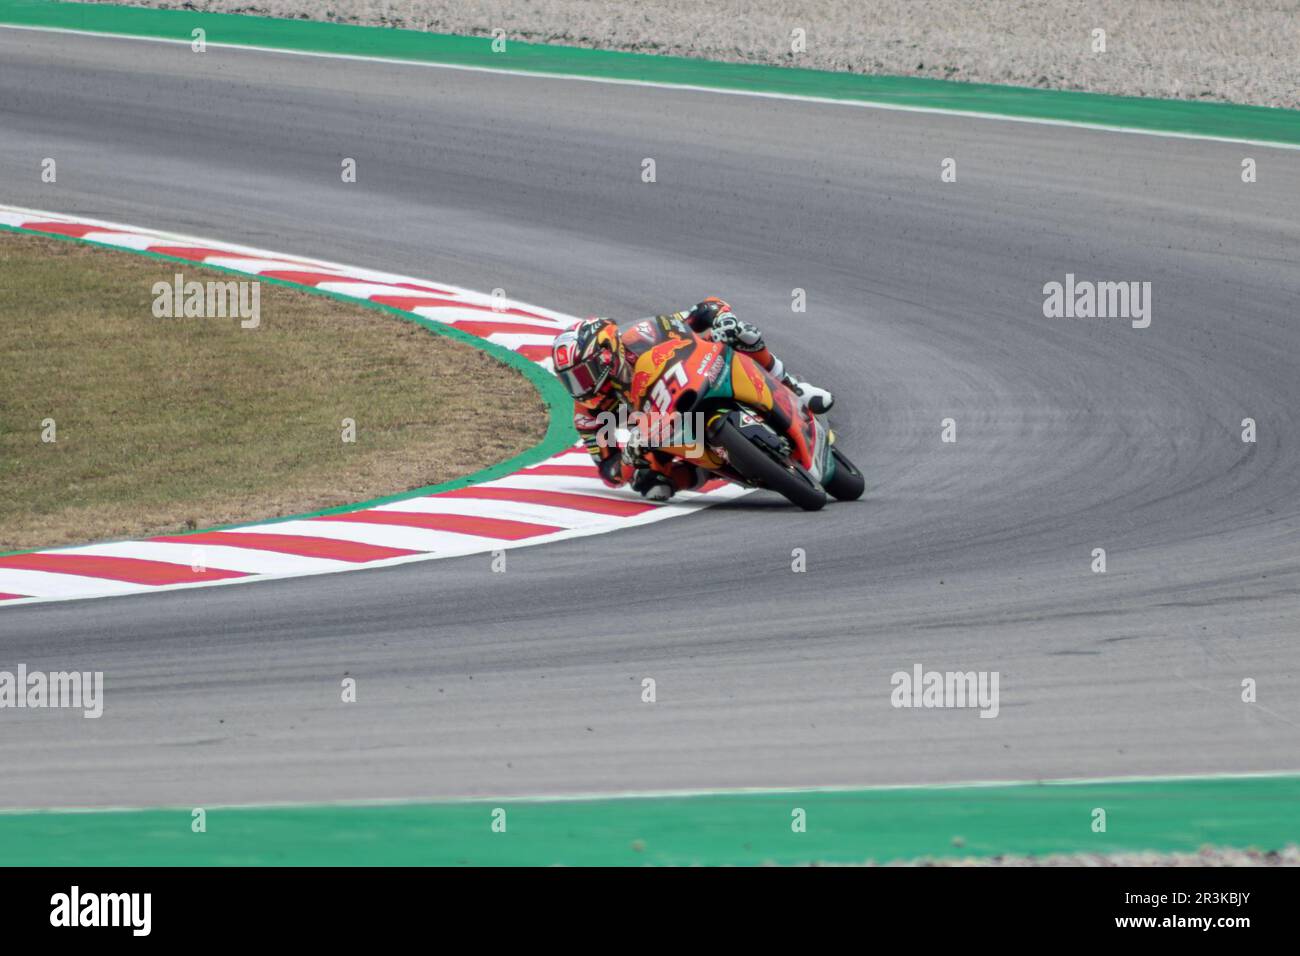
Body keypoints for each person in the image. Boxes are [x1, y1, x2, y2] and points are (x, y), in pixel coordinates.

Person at [551, 297, 834, 500]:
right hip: (662, 429)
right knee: (650, 482)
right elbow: (608, 470)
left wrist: (721, 319)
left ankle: (794, 386)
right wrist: (628, 455)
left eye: (583, 375)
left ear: (605, 355)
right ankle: (716, 472)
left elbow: (703, 310)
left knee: (741, 334)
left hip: (695, 378)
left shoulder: (640, 336)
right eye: (570, 380)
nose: (580, 387)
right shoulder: (588, 413)